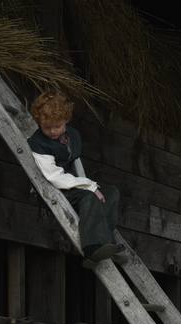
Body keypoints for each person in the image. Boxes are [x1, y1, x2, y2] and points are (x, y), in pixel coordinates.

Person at [28, 91, 124, 264]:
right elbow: (54, 177)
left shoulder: (73, 135)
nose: (52, 131)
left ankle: (107, 242)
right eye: (46, 127)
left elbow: (76, 162)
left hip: (72, 184)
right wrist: (88, 186)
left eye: (57, 126)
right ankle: (92, 249)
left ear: (66, 120)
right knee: (88, 196)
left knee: (111, 193)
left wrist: (90, 185)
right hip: (54, 190)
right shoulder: (37, 143)